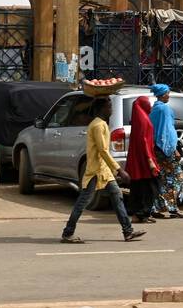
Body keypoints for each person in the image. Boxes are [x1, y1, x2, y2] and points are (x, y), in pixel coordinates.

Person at [60, 97, 145, 244]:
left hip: (103, 170)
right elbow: (103, 151)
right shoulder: (98, 125)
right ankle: (68, 233)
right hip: (95, 171)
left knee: (117, 195)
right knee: (83, 202)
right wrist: (119, 170)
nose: (111, 110)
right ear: (102, 109)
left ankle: (128, 231)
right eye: (109, 106)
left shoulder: (101, 124)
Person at [149, 83, 183, 219]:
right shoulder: (164, 109)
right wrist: (173, 149)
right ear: (162, 94)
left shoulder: (154, 109)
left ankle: (156, 207)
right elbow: (167, 131)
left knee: (162, 179)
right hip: (166, 150)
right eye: (167, 93)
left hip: (156, 149)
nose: (168, 95)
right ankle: (172, 208)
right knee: (177, 178)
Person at [126, 95, 160, 224]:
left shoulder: (139, 118)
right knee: (152, 187)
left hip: (139, 159)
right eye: (147, 103)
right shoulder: (143, 120)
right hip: (144, 159)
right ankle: (142, 213)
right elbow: (144, 141)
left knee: (138, 186)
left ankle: (139, 214)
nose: (150, 106)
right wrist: (150, 160)